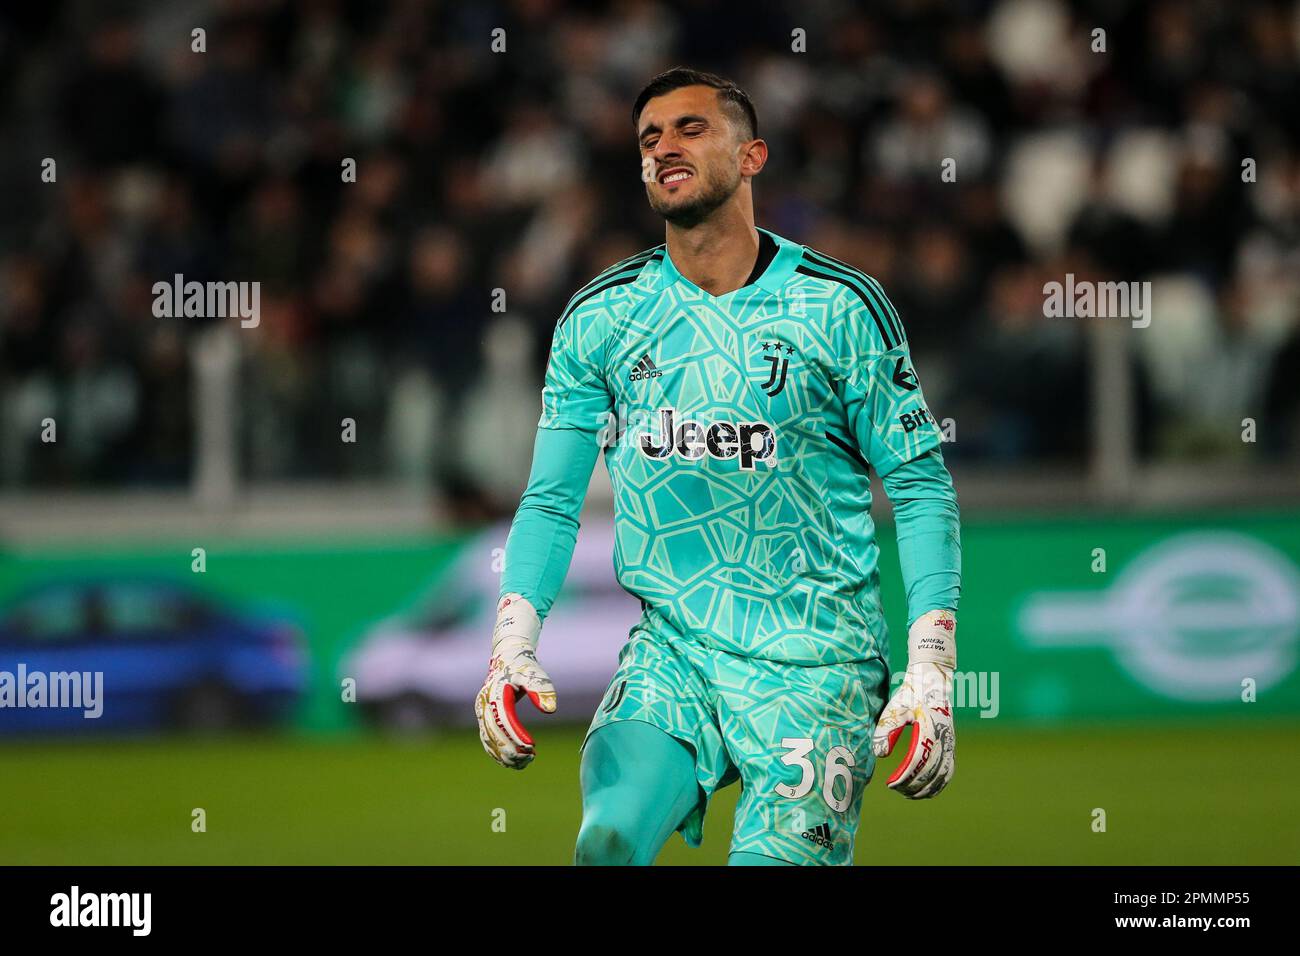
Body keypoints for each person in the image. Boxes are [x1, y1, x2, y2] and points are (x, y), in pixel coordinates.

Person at [475, 68, 961, 866]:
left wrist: (931, 665)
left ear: (753, 154)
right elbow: (552, 501)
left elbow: (917, 485)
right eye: (649, 137)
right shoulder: (602, 317)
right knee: (605, 842)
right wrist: (512, 645)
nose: (664, 145)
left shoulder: (839, 307)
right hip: (676, 651)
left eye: (691, 128)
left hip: (817, 664)